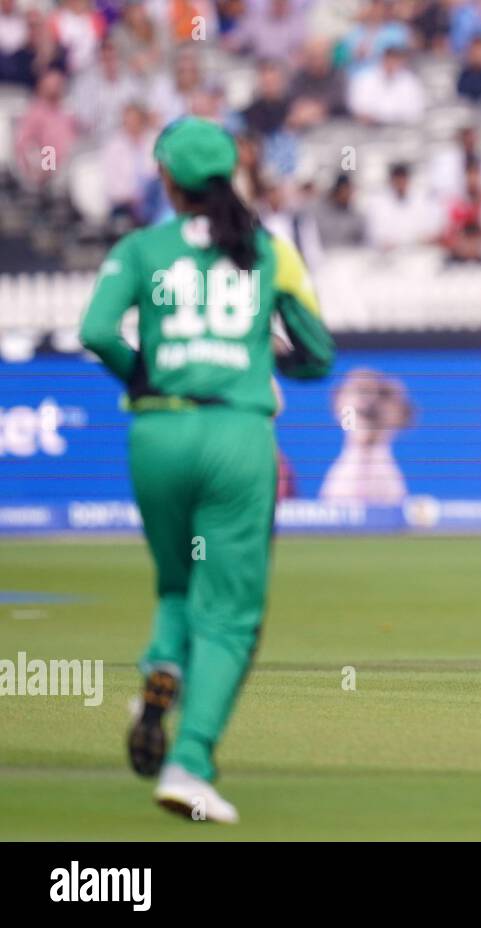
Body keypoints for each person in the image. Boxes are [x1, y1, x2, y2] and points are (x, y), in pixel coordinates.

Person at [79, 117, 335, 822]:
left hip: (158, 429)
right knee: (230, 614)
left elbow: (96, 331)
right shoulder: (267, 249)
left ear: (165, 179)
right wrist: (262, 354)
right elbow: (318, 352)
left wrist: (142, 378)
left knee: (176, 581)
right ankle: (189, 761)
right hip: (236, 433)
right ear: (230, 175)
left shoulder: (141, 248)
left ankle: (163, 666)